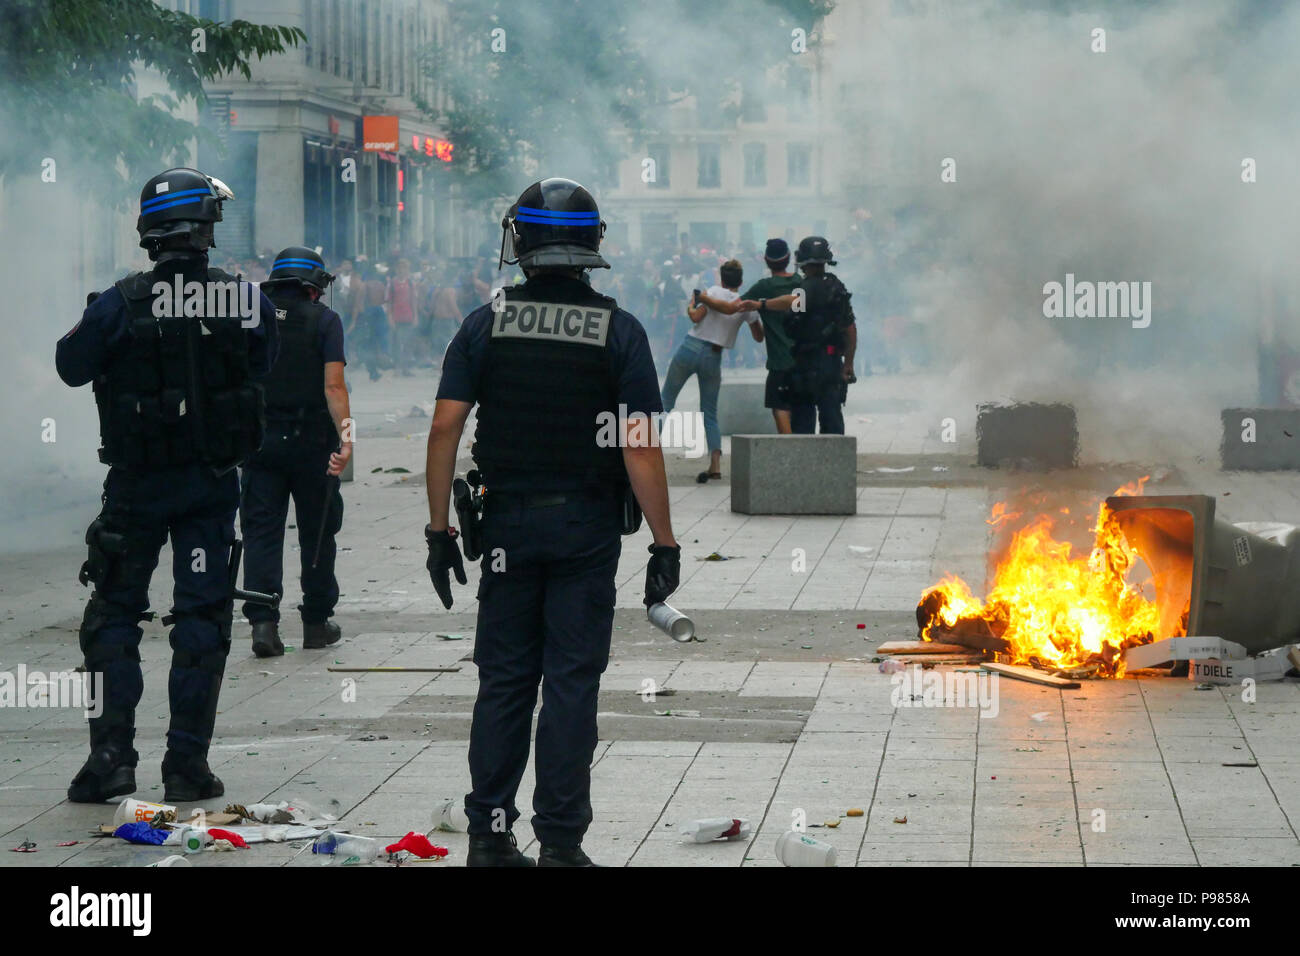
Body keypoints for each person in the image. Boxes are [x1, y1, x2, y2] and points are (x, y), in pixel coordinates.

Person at [423, 177, 680, 867]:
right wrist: (664, 541)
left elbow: (446, 426)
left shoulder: (483, 324)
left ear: (523, 243)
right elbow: (639, 445)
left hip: (504, 529)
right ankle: (561, 844)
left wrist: (438, 529)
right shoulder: (619, 331)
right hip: (585, 530)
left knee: (504, 680)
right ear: (592, 244)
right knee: (571, 683)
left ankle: (489, 835)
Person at [56, 167, 278, 802]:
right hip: (209, 485)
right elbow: (264, 361)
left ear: (150, 232)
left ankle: (110, 760)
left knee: (113, 615)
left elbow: (70, 366)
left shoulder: (119, 302)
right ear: (206, 228)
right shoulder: (242, 297)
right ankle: (186, 767)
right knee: (203, 616)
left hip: (136, 487)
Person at [239, 247, 351, 658]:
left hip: (260, 443)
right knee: (317, 533)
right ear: (313, 288)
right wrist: (348, 437)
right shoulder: (325, 321)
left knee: (261, 533)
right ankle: (316, 624)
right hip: (313, 446)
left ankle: (264, 624)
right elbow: (334, 387)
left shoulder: (252, 317)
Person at [741, 236, 857, 434]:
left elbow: (791, 302)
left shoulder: (805, 289)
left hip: (805, 365)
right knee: (832, 418)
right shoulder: (836, 288)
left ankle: (805, 464)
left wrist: (762, 304)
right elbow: (850, 329)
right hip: (831, 362)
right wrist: (848, 364)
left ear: (803, 263)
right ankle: (836, 463)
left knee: (803, 422)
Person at [663, 259, 761, 482]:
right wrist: (753, 318)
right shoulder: (743, 304)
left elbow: (695, 316)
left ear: (722, 278)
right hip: (714, 356)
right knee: (709, 412)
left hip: (690, 347)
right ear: (741, 280)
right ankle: (715, 464)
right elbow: (758, 336)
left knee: (666, 401)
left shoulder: (712, 292)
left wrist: (691, 305)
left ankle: (648, 451)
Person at [701, 238, 801, 433]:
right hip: (805, 360)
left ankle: (790, 451)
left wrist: (704, 299)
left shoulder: (763, 287)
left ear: (766, 260)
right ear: (788, 258)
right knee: (802, 408)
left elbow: (731, 308)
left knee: (780, 408)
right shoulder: (800, 282)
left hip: (780, 361)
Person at [387, 257, 417, 374]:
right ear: (396, 269)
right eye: (400, 268)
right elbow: (389, 302)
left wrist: (415, 317)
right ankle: (397, 367)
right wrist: (390, 318)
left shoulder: (411, 283)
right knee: (397, 343)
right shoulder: (392, 284)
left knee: (408, 343)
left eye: (404, 268)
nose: (402, 270)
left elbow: (413, 301)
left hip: (408, 317)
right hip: (396, 318)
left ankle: (406, 368)